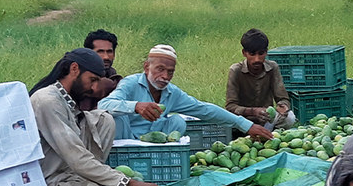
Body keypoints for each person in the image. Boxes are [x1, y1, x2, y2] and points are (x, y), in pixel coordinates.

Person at [30, 48, 170, 186]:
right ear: (74, 69)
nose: (95, 88)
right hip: (53, 181)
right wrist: (128, 184)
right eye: (92, 80)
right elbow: (77, 158)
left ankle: (95, 176)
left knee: (104, 119)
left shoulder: (64, 97)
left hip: (75, 171)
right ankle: (95, 182)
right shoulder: (47, 101)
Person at [99, 44, 274, 141]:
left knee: (177, 121)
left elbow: (205, 109)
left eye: (170, 72)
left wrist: (245, 125)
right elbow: (103, 105)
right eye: (159, 69)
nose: (164, 76)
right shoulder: (131, 83)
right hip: (127, 142)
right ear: (147, 67)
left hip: (156, 143)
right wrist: (136, 106)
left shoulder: (171, 93)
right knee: (116, 117)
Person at [225, 28, 295, 130]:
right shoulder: (236, 70)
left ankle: (269, 134)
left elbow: (282, 98)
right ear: (244, 53)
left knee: (290, 118)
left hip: (266, 120)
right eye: (252, 54)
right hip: (243, 120)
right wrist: (253, 111)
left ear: (266, 52)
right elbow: (230, 107)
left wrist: (283, 106)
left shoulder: (272, 68)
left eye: (261, 53)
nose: (257, 59)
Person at [79, 29, 120, 111]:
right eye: (100, 52)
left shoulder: (112, 75)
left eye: (109, 52)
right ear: (88, 54)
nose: (106, 57)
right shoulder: (78, 78)